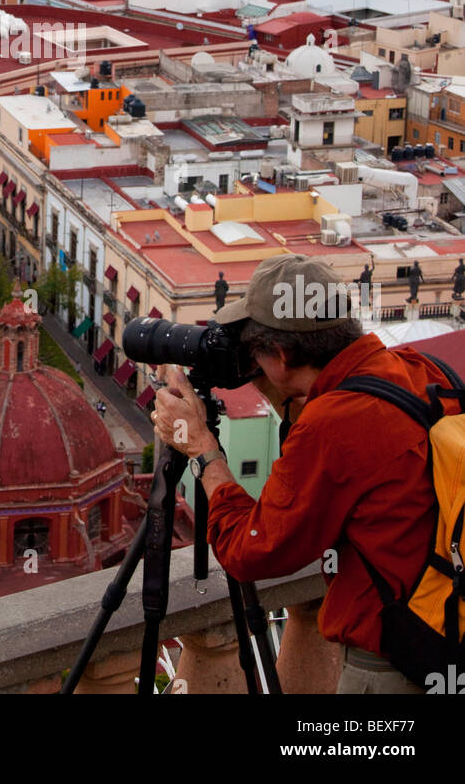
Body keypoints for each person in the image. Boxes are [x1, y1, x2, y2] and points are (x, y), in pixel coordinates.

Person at [152, 253, 460, 695]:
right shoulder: (419, 370)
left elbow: (251, 551)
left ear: (278, 355)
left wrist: (202, 449)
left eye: (253, 352)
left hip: (396, 667)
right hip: (450, 636)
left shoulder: (334, 424)